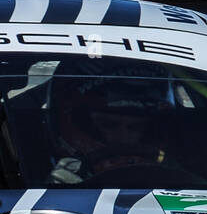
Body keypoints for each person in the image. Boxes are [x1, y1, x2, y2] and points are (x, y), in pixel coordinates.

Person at [44, 61, 184, 185]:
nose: (123, 138)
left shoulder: (178, 179)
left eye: (136, 127)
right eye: (109, 125)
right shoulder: (37, 186)